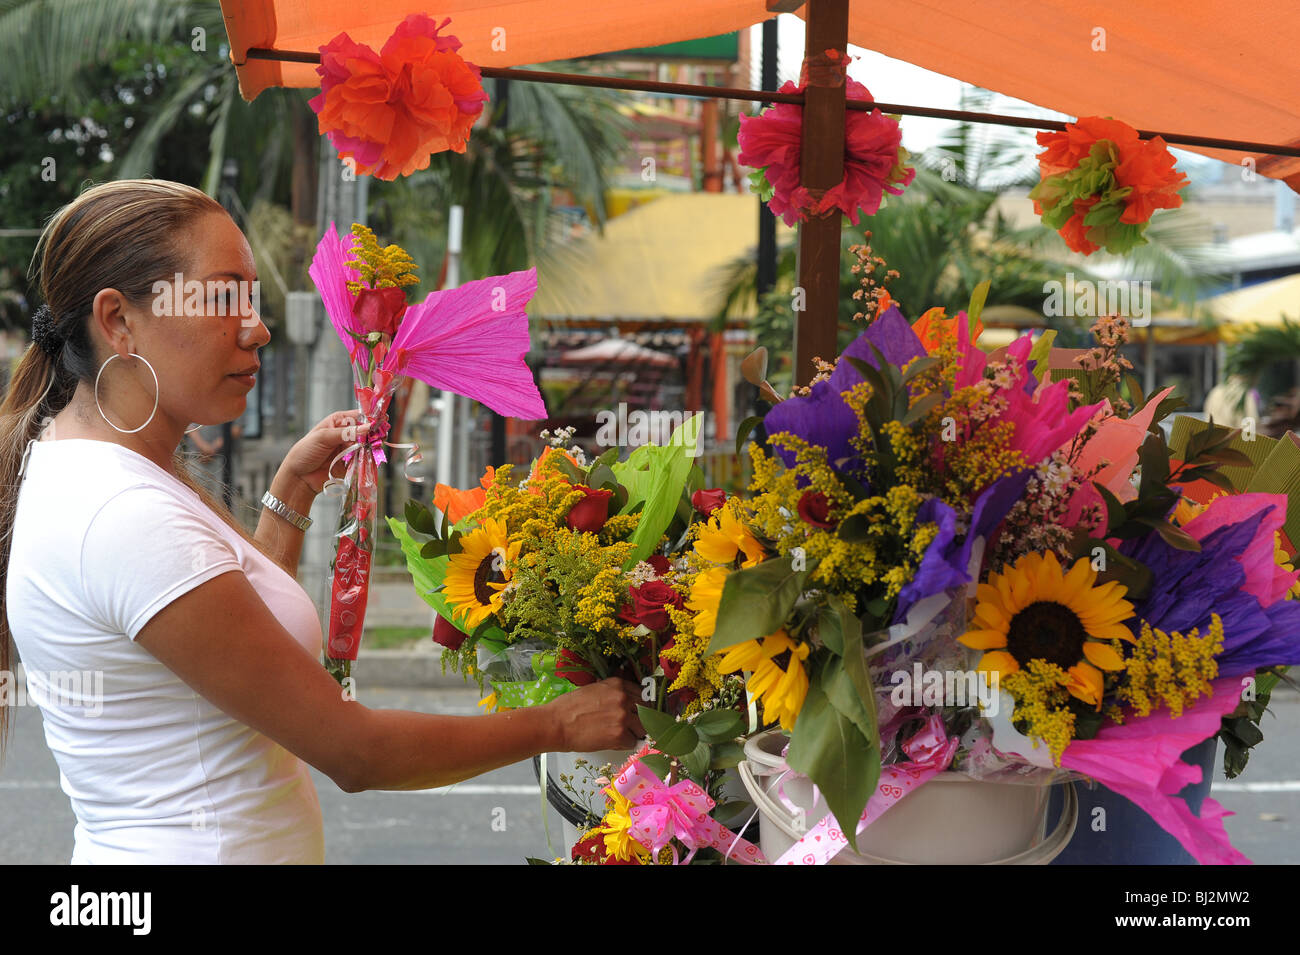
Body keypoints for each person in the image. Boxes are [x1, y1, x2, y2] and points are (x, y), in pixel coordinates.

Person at [0, 179, 641, 864]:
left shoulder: (91, 468)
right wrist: (558, 723)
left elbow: (238, 649)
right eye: (224, 298)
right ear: (119, 320)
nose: (258, 327)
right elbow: (354, 750)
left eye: (253, 297)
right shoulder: (122, 515)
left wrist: (292, 492)